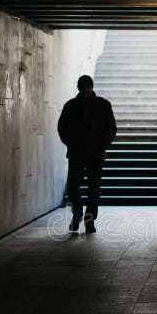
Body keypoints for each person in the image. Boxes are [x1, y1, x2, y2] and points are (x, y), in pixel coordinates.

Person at [57, 75, 117, 234]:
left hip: (91, 153)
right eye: (82, 87)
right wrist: (72, 143)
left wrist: (101, 145)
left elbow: (111, 128)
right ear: (78, 87)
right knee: (75, 187)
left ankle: (87, 219)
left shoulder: (101, 105)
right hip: (81, 153)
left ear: (91, 87)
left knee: (91, 188)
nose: (84, 90)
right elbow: (62, 128)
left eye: (87, 86)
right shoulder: (72, 106)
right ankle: (79, 214)